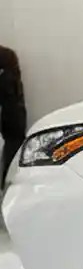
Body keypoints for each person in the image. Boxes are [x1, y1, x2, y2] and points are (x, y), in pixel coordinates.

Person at [0, 45, 28, 183]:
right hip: (14, 116)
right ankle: (9, 180)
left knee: (12, 145)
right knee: (14, 145)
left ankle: (8, 179)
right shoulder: (9, 61)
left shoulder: (7, 77)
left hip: (10, 117)